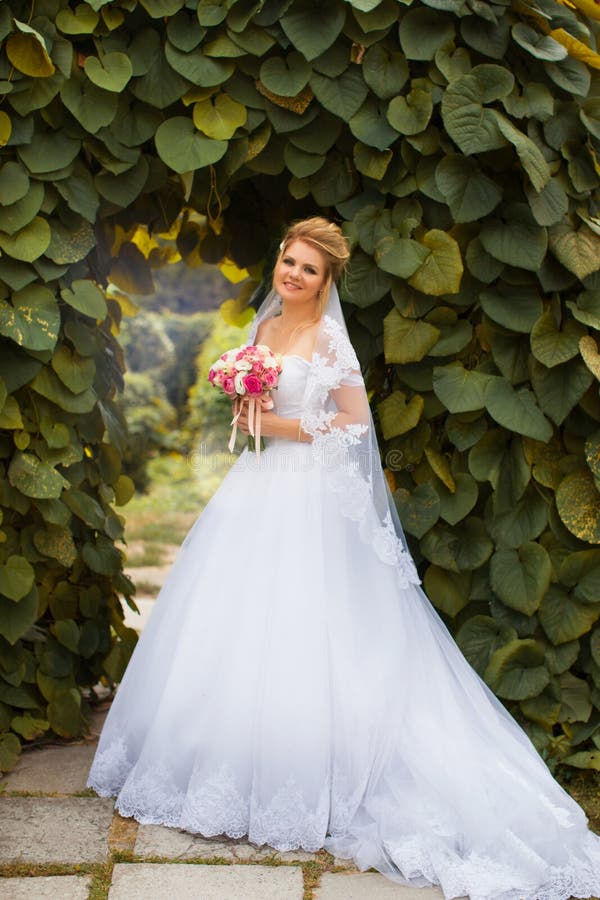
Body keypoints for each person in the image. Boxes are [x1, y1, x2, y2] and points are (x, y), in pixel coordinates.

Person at [88, 217, 600, 899]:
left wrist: (269, 423)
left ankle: (311, 773)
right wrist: (247, 407)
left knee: (309, 624)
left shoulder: (329, 338)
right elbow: (254, 410)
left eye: (307, 270)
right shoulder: (262, 332)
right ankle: (232, 760)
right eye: (287, 262)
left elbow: (353, 423)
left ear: (326, 283)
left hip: (310, 498)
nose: (292, 275)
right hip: (257, 488)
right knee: (237, 620)